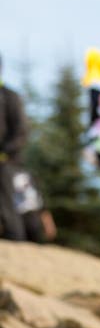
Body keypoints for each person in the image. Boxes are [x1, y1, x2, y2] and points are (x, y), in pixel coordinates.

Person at [0, 55, 27, 241]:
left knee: (6, 203)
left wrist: (5, 152)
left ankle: (15, 239)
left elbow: (21, 131)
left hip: (5, 162)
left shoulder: (10, 97)